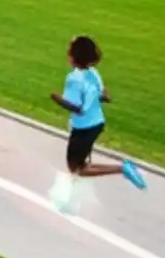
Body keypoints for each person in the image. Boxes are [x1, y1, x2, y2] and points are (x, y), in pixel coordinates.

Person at [50, 36, 147, 190]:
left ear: (74, 57)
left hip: (84, 127)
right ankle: (122, 168)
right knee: (80, 164)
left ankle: (123, 169)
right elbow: (105, 96)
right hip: (96, 123)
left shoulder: (74, 79)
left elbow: (77, 107)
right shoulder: (93, 73)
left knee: (76, 168)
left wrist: (57, 99)